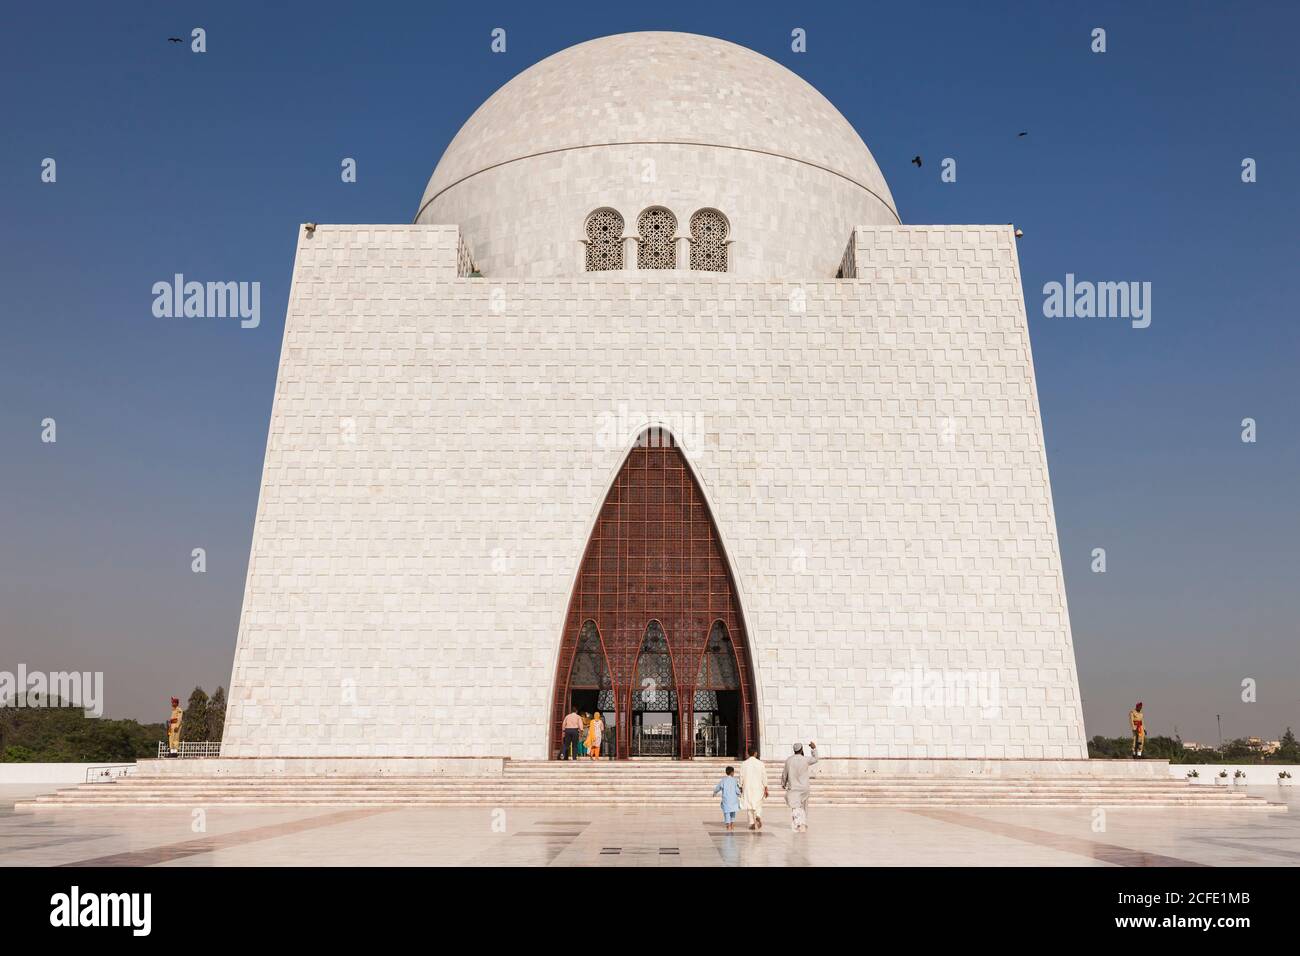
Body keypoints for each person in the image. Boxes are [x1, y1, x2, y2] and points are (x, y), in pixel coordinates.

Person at [781, 740, 818, 832]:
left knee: (795, 807)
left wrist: (783, 783)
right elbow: (815, 759)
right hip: (804, 788)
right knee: (804, 806)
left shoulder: (789, 760)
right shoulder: (805, 759)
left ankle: (798, 824)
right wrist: (814, 748)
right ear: (801, 750)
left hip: (793, 788)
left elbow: (785, 773)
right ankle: (803, 823)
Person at [738, 747, 767, 829]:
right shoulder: (761, 764)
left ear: (748, 753)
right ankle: (758, 815)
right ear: (755, 753)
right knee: (758, 803)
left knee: (749, 804)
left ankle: (751, 823)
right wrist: (765, 786)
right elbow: (764, 776)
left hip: (747, 786)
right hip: (758, 786)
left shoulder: (744, 764)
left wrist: (740, 786)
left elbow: (741, 776)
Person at [714, 765, 742, 830]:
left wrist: (715, 792)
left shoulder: (723, 780)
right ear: (732, 772)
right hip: (734, 800)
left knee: (727, 812)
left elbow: (718, 787)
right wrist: (740, 794)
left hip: (726, 799)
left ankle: (728, 825)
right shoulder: (734, 780)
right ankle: (732, 824)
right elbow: (737, 789)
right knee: (733, 812)